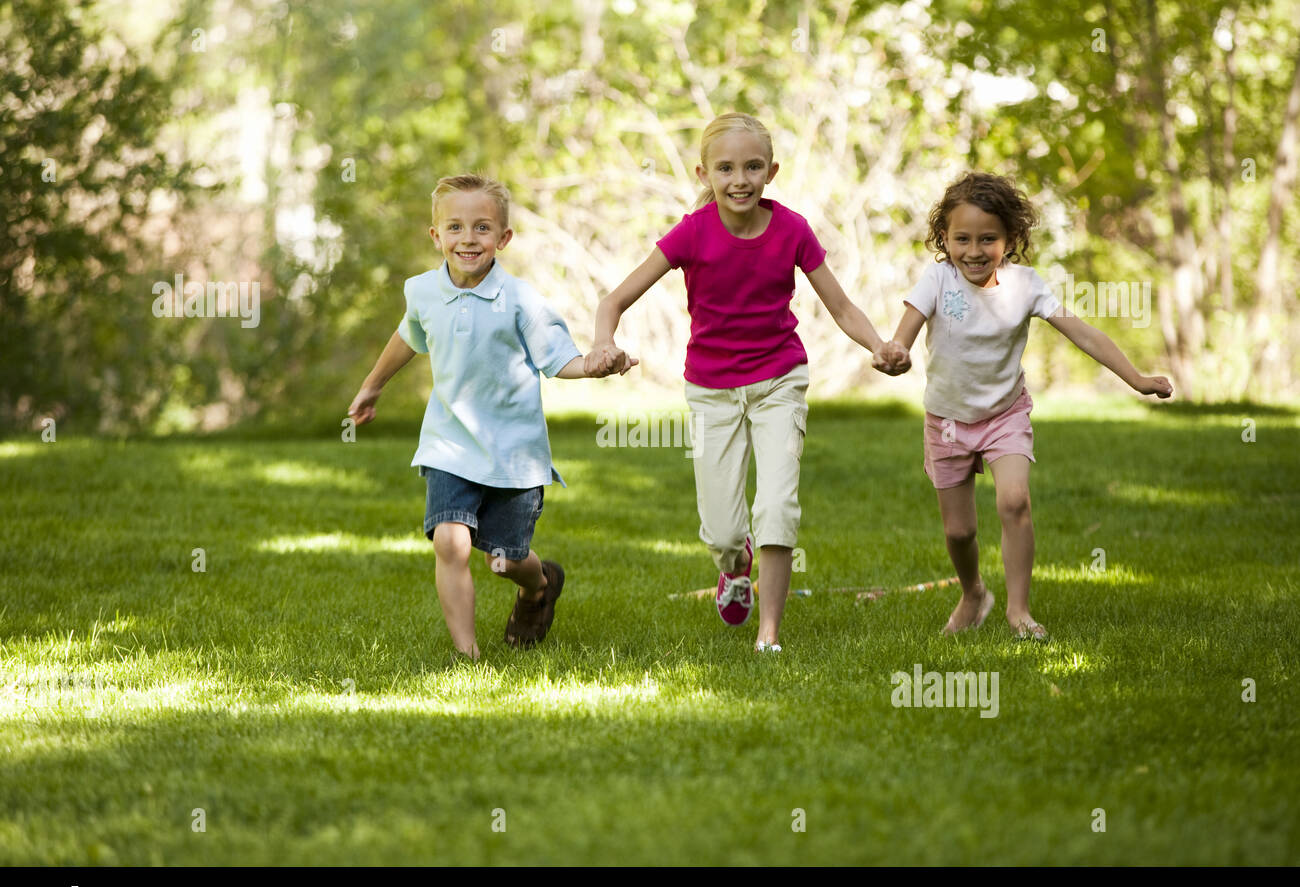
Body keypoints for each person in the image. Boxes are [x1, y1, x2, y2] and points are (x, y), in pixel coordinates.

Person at [589, 112, 891, 652]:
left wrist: (879, 347)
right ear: (704, 173)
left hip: (780, 379)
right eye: (725, 168)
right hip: (711, 388)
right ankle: (735, 566)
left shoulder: (792, 230)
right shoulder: (692, 233)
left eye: (752, 167)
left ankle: (769, 635)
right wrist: (604, 344)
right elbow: (612, 300)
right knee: (724, 531)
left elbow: (842, 306)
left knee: (776, 504)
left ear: (771, 171)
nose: (740, 180)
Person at [873, 171, 1172, 639]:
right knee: (959, 533)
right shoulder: (938, 279)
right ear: (944, 239)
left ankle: (1018, 610)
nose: (974, 250)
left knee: (1014, 502)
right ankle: (973, 592)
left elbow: (1083, 333)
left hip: (1004, 415)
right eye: (962, 239)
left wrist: (1135, 378)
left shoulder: (1025, 285)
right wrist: (895, 354)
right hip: (948, 421)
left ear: (1010, 238)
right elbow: (903, 334)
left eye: (987, 238)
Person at [348, 174, 633, 660]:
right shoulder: (422, 292)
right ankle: (468, 656)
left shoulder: (520, 300)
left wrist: (595, 365)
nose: (468, 238)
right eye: (455, 227)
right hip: (449, 444)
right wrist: (372, 386)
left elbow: (558, 359)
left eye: (482, 227)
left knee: (504, 561)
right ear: (436, 236)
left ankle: (539, 586)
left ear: (503, 239)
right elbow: (409, 337)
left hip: (513, 453)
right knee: (451, 543)